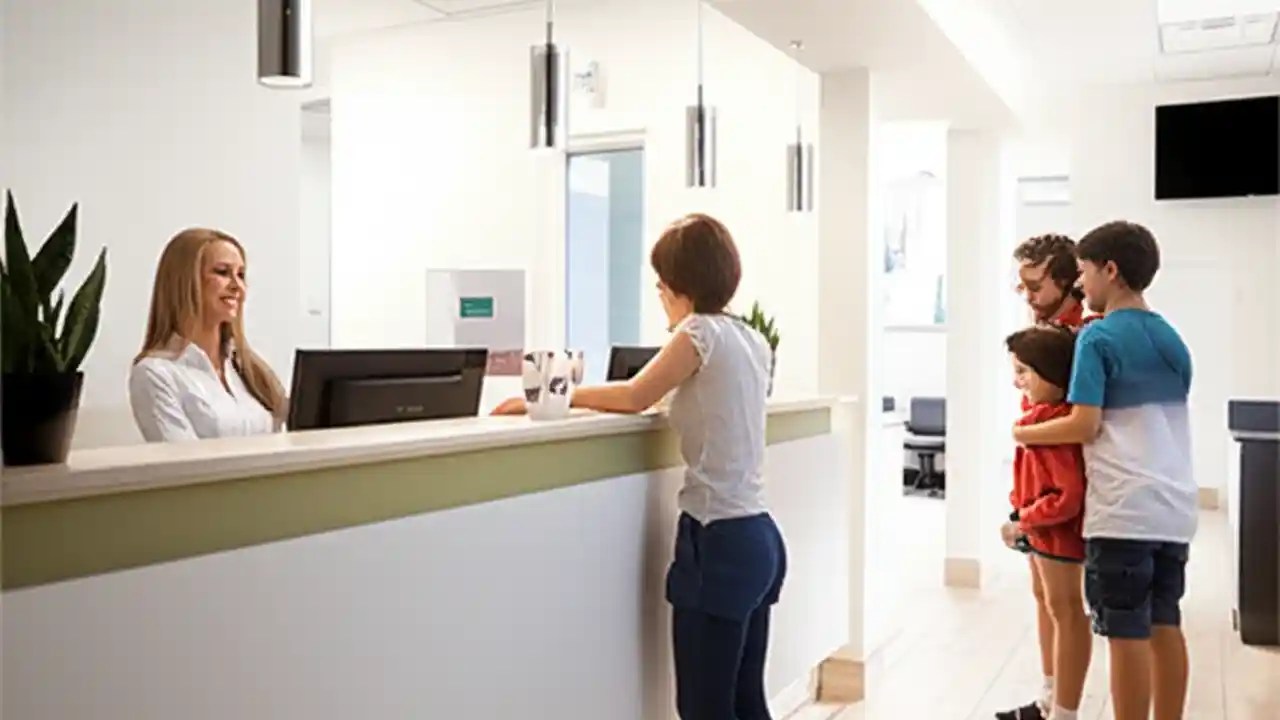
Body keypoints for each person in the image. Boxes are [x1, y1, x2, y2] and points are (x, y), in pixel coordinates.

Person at [493, 213, 786, 720]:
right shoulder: (751, 340)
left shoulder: (698, 333)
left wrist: (545, 398)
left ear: (679, 287)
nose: (660, 295)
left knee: (703, 710)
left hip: (716, 540)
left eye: (661, 285)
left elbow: (634, 395)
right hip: (760, 539)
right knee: (745, 701)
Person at [1013, 221, 1197, 720]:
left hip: (1123, 511)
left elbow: (1086, 423)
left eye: (1086, 274)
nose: (1082, 286)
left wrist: (1023, 433)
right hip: (1174, 509)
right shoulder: (1173, 340)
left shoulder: (1097, 338)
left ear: (1110, 271)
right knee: (1165, 623)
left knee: (1125, 632)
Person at [998, 233, 1092, 720]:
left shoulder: (1086, 337)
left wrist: (1027, 433)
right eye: (1022, 287)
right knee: (1042, 595)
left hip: (1060, 483)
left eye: (1035, 286)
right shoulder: (1046, 329)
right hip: (1036, 478)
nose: (1028, 297)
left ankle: (1065, 707)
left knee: (1065, 603)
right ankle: (1048, 695)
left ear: (1067, 279)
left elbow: (1083, 417)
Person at [129, 228, 287, 442]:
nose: (237, 286)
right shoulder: (155, 374)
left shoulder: (247, 369)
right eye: (222, 272)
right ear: (184, 281)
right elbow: (184, 465)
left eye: (241, 275)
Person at [1014, 234, 1085, 329]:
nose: (1027, 297)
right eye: (1020, 288)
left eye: (1035, 288)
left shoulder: (1087, 330)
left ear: (1063, 280)